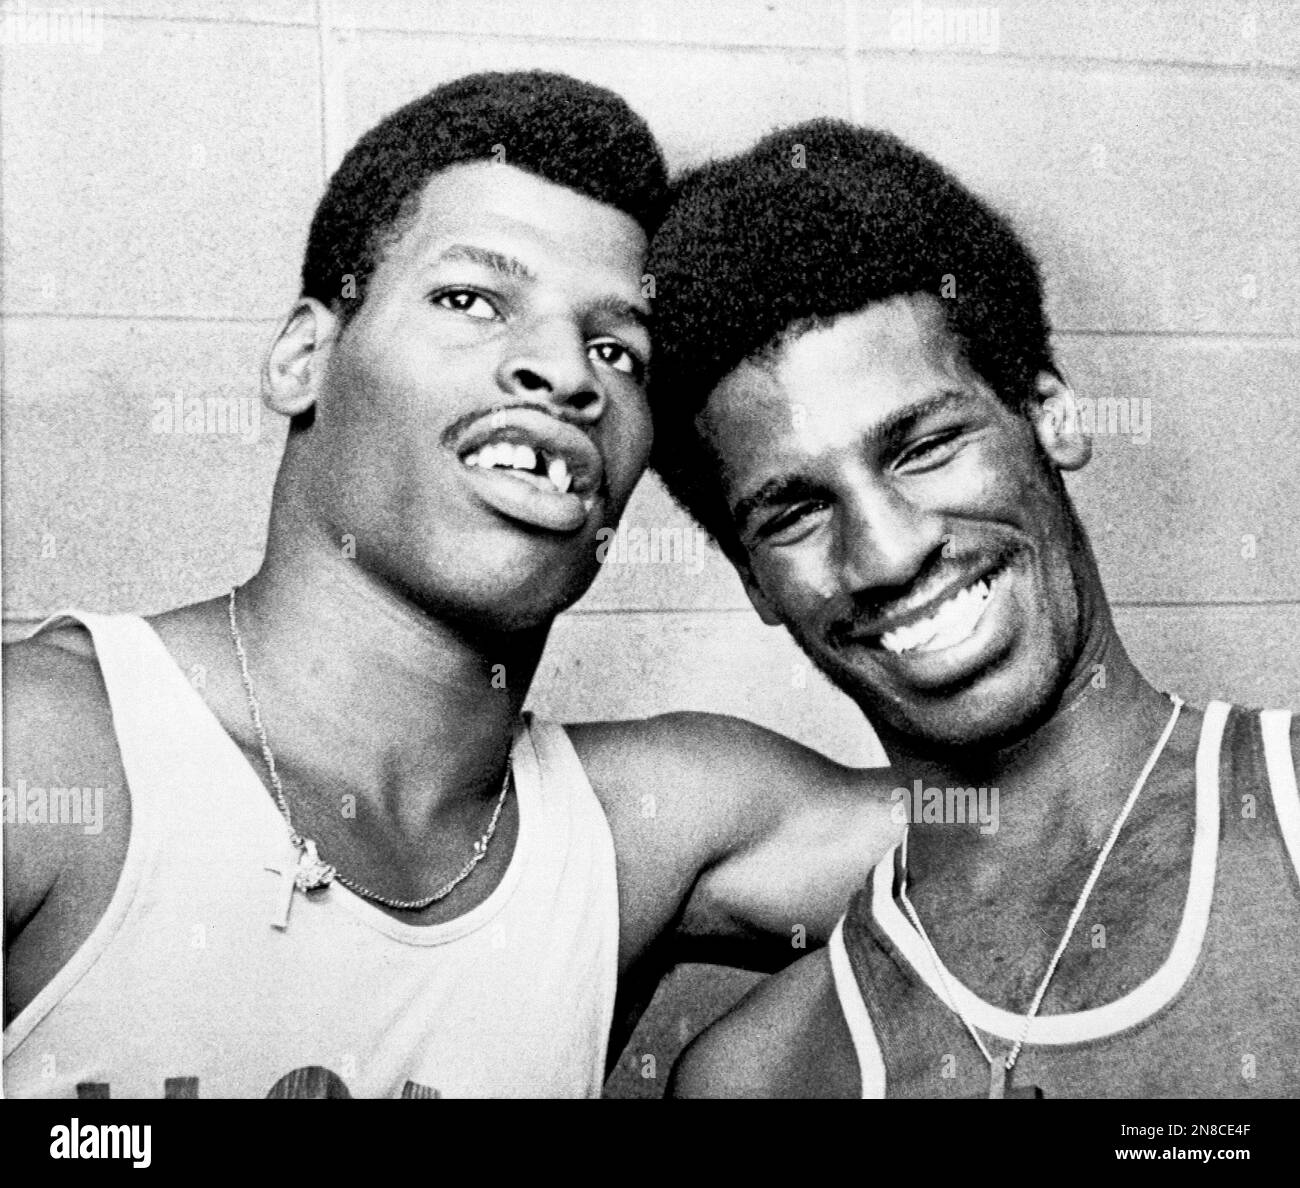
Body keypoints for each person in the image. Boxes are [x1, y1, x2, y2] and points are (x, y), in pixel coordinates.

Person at [1, 77, 901, 1100]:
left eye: (617, 349)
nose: (567, 373)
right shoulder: (47, 751)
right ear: (305, 357)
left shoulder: (645, 829)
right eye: (470, 300)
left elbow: (1070, 836)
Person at [643, 119, 1300, 1098]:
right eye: (794, 509)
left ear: (1051, 417)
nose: (889, 551)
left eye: (923, 446)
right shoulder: (761, 1076)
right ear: (756, 585)